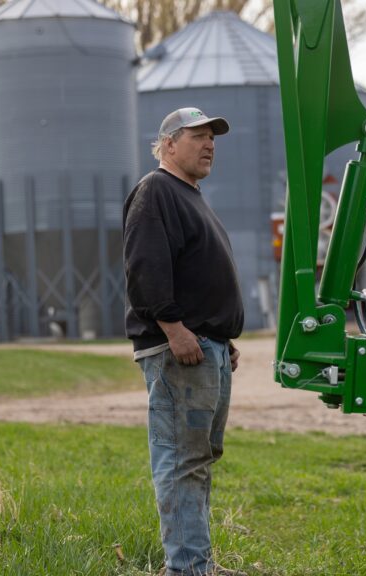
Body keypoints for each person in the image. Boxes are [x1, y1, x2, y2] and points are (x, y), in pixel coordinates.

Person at [123, 107, 247, 576]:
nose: (209, 144)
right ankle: (188, 569)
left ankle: (197, 564)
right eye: (198, 136)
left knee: (199, 458)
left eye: (212, 137)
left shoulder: (191, 196)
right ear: (169, 144)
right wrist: (174, 328)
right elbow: (145, 267)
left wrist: (221, 336)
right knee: (181, 460)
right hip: (179, 350)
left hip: (206, 346)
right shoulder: (156, 190)